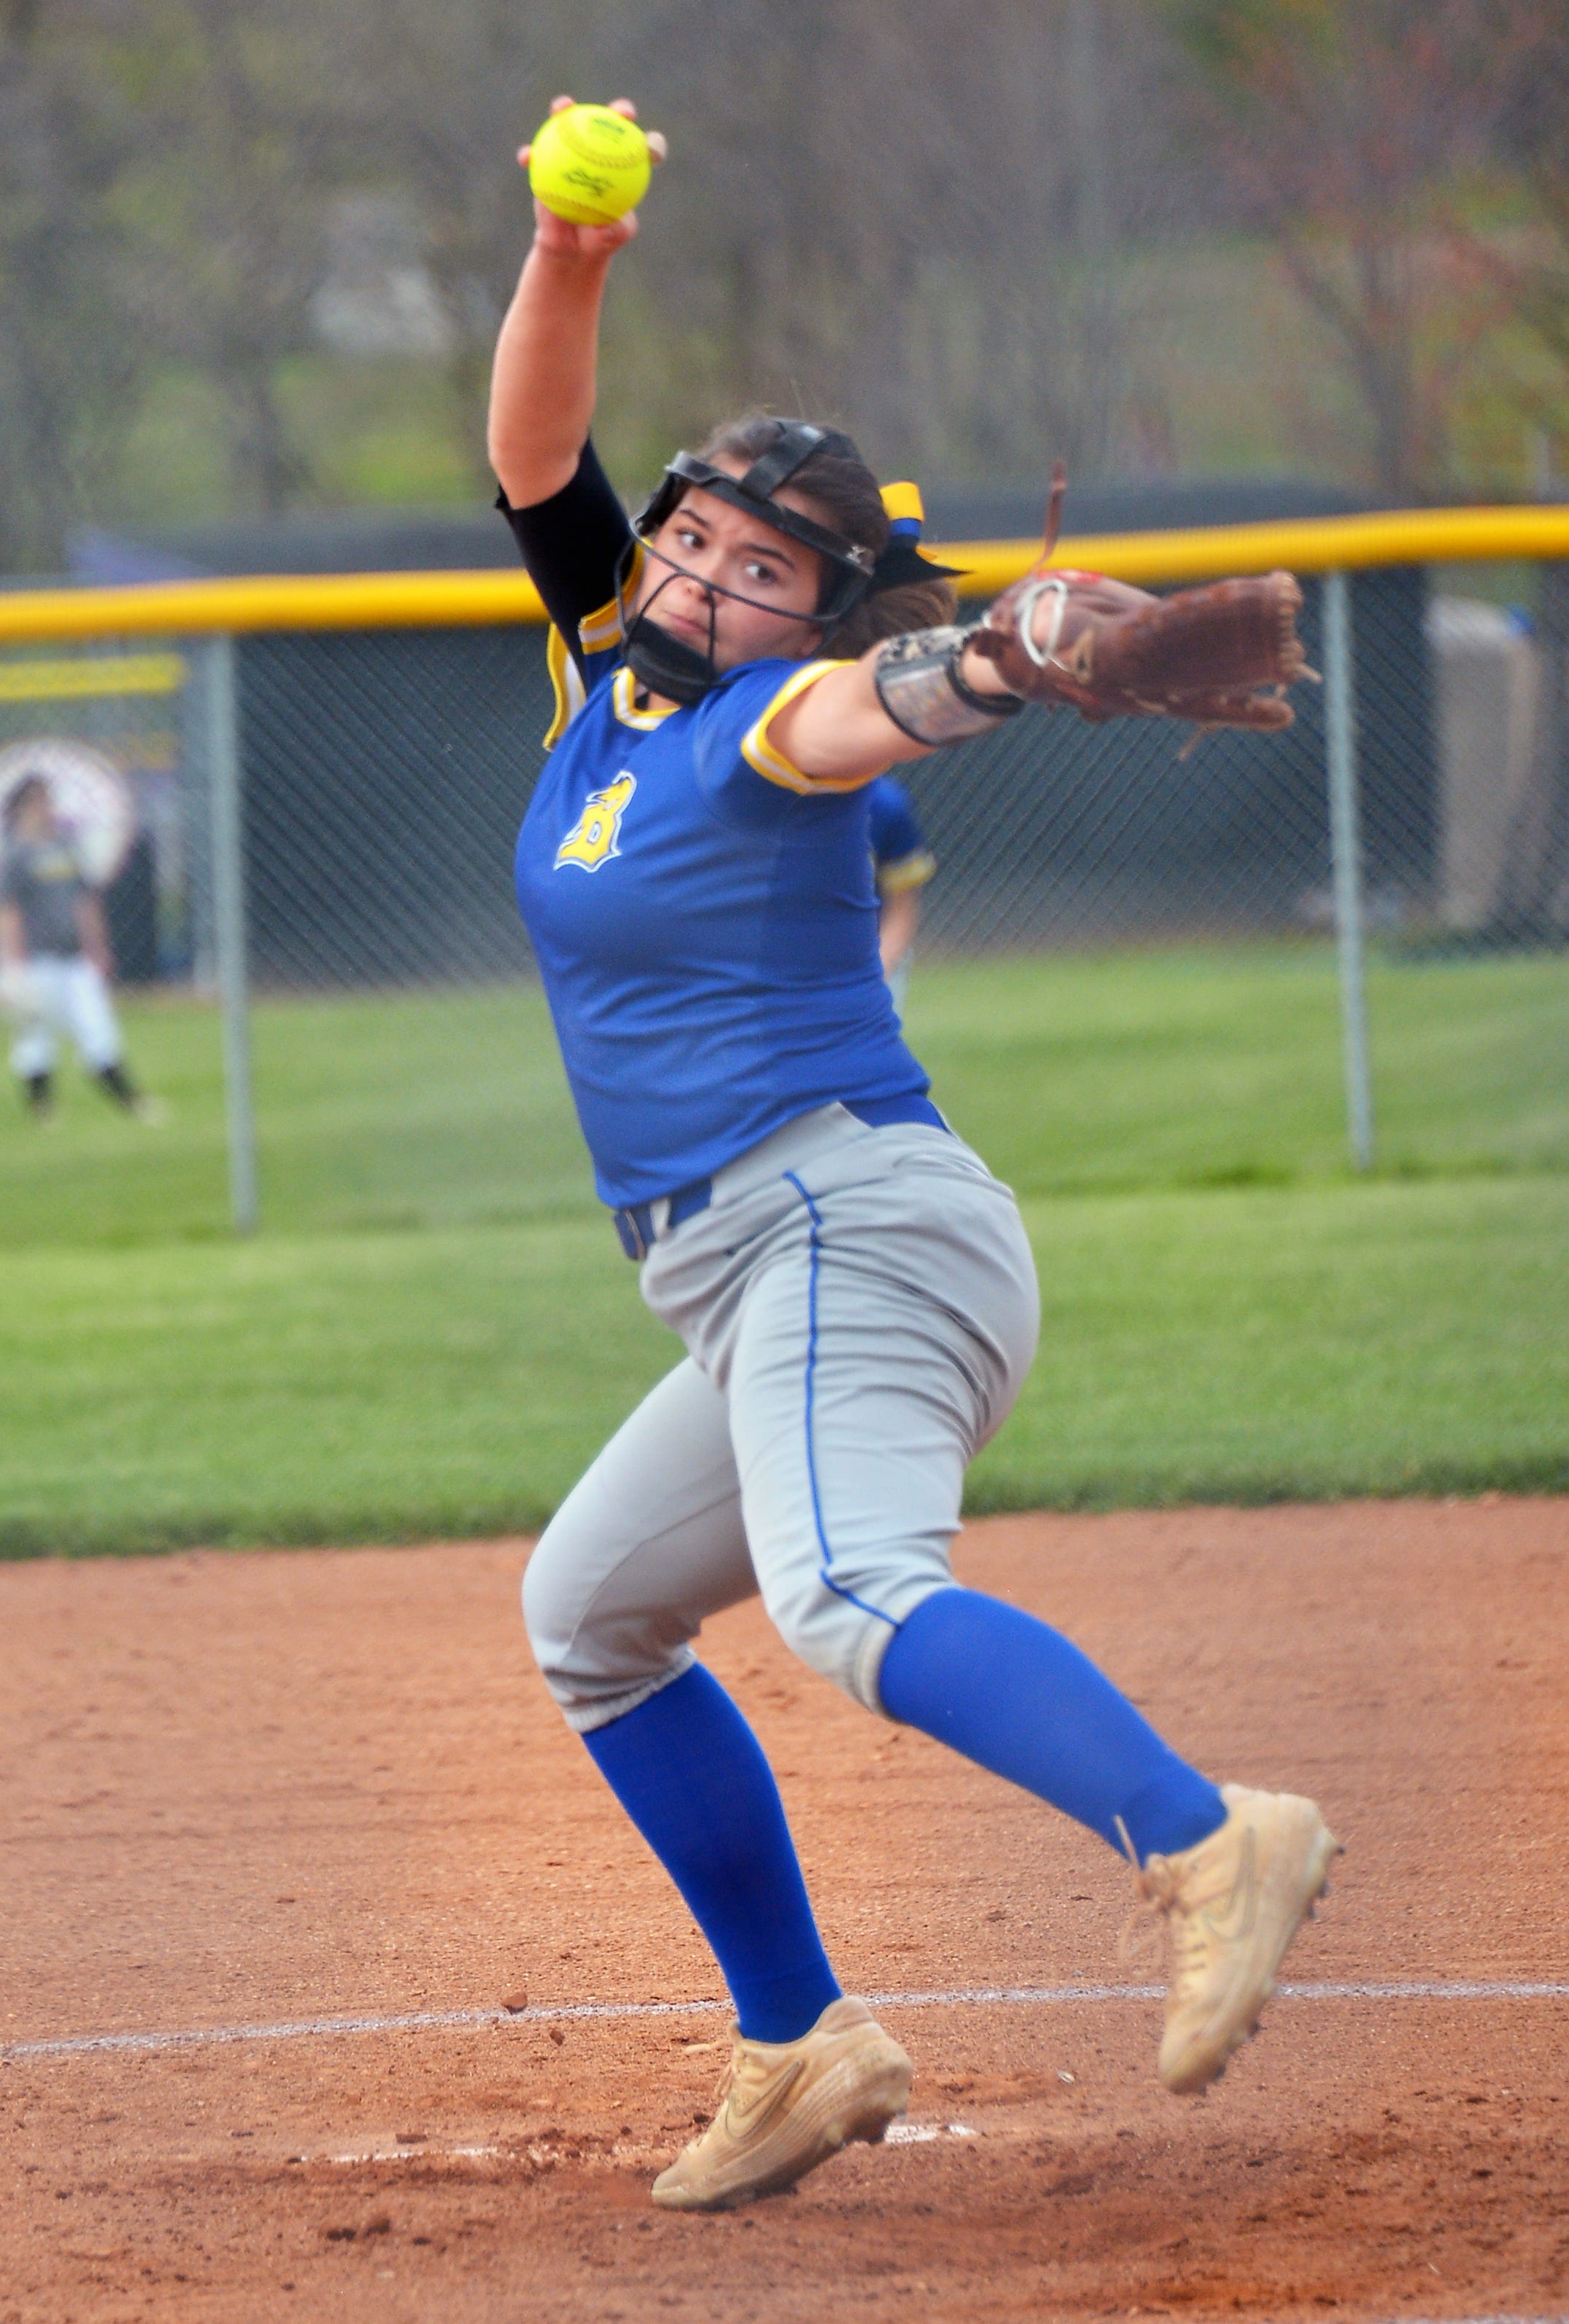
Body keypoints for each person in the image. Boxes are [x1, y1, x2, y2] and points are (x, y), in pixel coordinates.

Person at [491, 97, 1338, 2215]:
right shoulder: (601, 686)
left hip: (834, 1222)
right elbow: (529, 458)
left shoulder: (765, 736)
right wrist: (572, 262)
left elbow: (892, 699)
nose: (698, 571)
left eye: (755, 566)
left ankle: (1202, 1831)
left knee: (852, 1595)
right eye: (688, 534)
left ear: (809, 609)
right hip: (762, 1254)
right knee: (593, 1612)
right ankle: (802, 2041)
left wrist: (1002, 651)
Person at [0, 773, 159, 1122]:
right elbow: (8, 912)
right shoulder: (16, 856)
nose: (48, 809)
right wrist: (11, 965)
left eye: (49, 801)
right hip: (36, 960)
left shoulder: (65, 848)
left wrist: (98, 947)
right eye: (40, 802)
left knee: (98, 1027)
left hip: (75, 959)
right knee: (35, 1040)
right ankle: (42, 1110)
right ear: (23, 810)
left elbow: (85, 902)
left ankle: (134, 1102)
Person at [866, 772, 934, 1008]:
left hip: (870, 957)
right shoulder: (770, 797)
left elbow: (902, 907)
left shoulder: (883, 802)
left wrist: (875, 976)